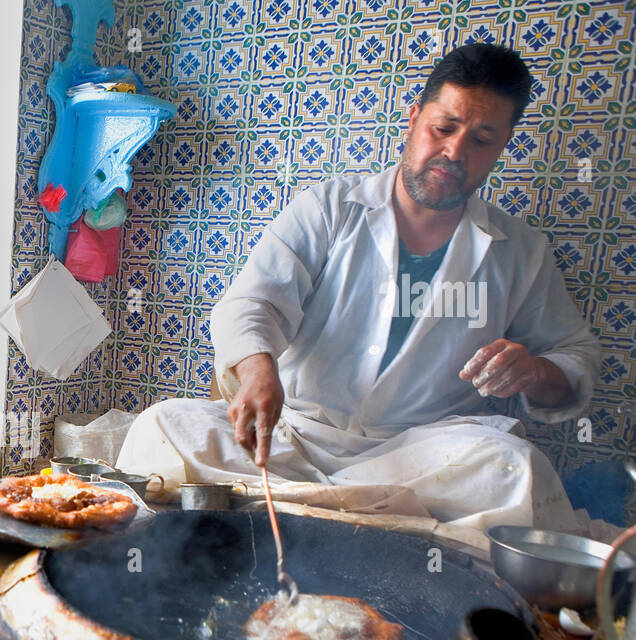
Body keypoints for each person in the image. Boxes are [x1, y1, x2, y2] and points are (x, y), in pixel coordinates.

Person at [118, 43, 604, 534]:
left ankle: (289, 517)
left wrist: (534, 371)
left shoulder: (519, 251)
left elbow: (575, 355)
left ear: (503, 146)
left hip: (421, 457)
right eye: (444, 128)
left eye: (482, 139)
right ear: (414, 118)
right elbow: (252, 303)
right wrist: (258, 372)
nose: (455, 152)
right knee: (161, 427)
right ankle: (368, 526)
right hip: (295, 437)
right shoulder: (329, 208)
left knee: (516, 469)